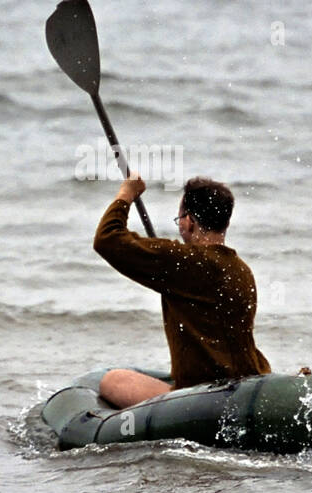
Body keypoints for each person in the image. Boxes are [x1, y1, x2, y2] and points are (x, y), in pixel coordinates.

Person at [92, 171, 271, 408]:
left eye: (180, 221)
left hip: (204, 395)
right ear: (224, 222)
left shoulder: (184, 262)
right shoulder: (241, 270)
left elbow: (107, 239)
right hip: (249, 381)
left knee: (112, 380)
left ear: (189, 222)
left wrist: (127, 193)